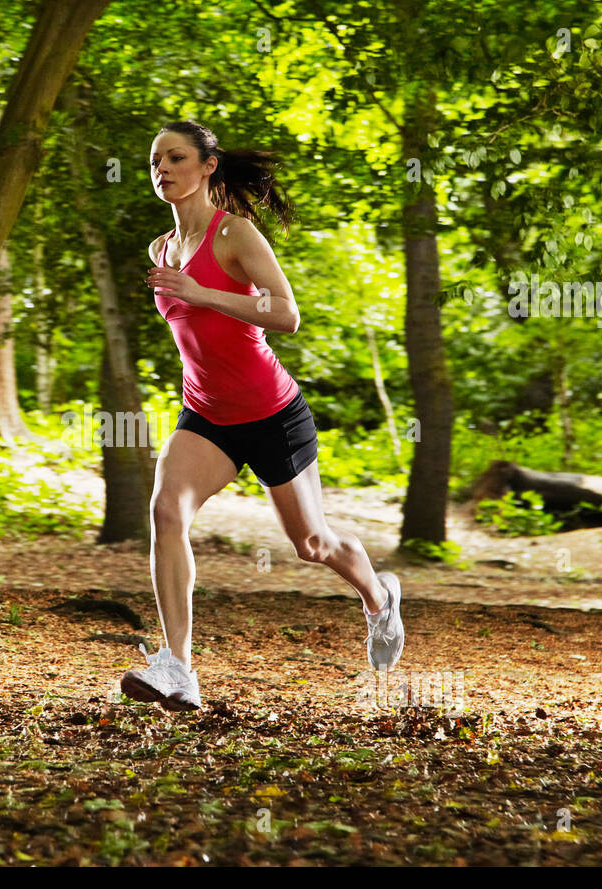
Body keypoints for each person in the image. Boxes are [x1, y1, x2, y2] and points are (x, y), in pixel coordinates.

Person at [119, 120, 404, 712]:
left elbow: (285, 314)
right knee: (166, 512)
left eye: (175, 158)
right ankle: (178, 668)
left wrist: (202, 294)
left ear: (207, 166)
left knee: (312, 544)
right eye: (154, 162)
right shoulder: (160, 250)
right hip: (205, 415)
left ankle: (379, 596)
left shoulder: (235, 235)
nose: (162, 170)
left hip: (272, 414)